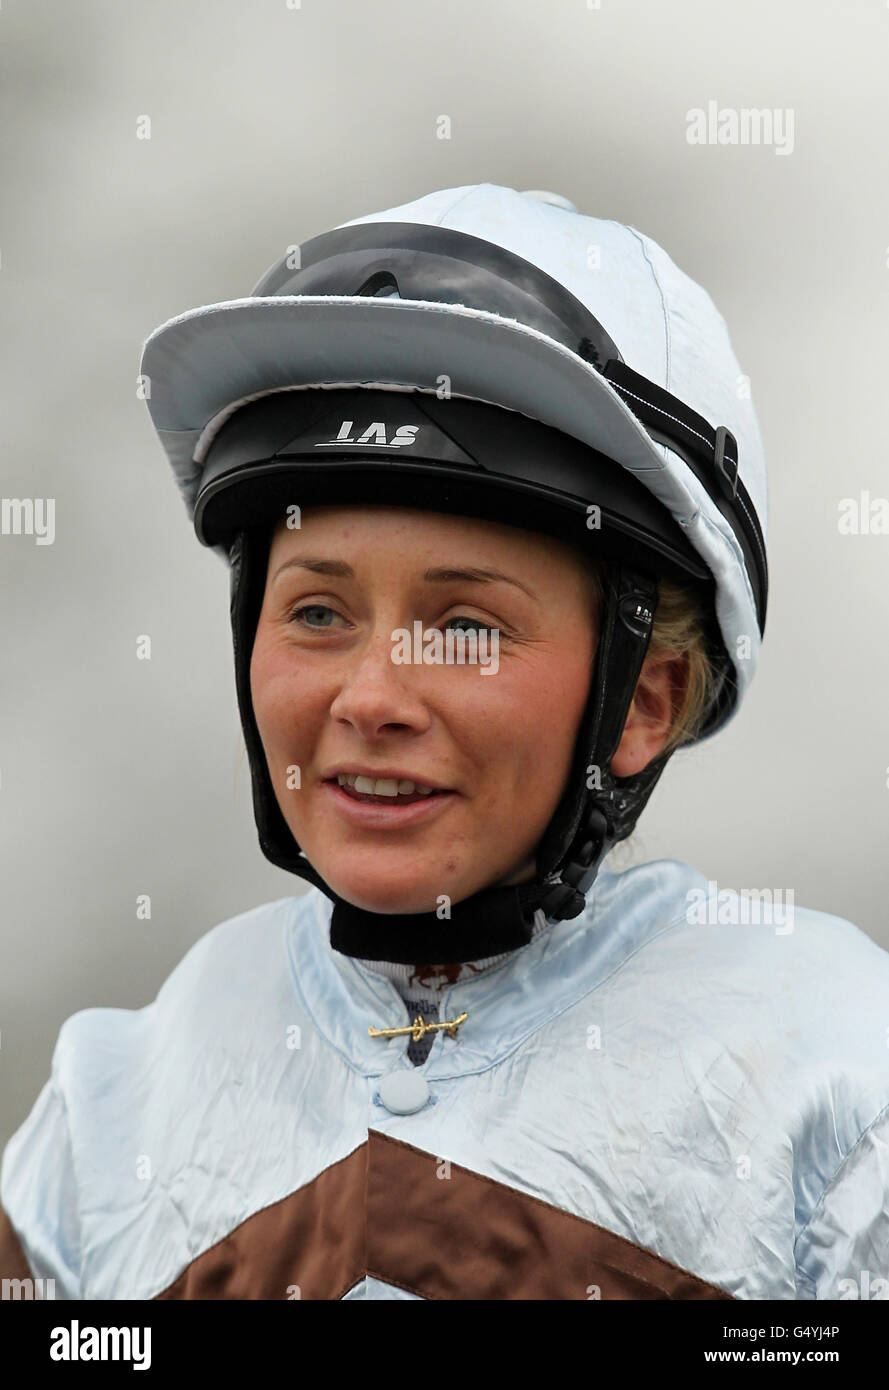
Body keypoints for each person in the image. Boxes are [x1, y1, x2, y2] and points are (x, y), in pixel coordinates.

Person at [2, 183, 888, 1301]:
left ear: (646, 697)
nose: (371, 696)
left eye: (463, 628)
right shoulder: (106, 1105)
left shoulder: (843, 1077)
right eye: (318, 613)